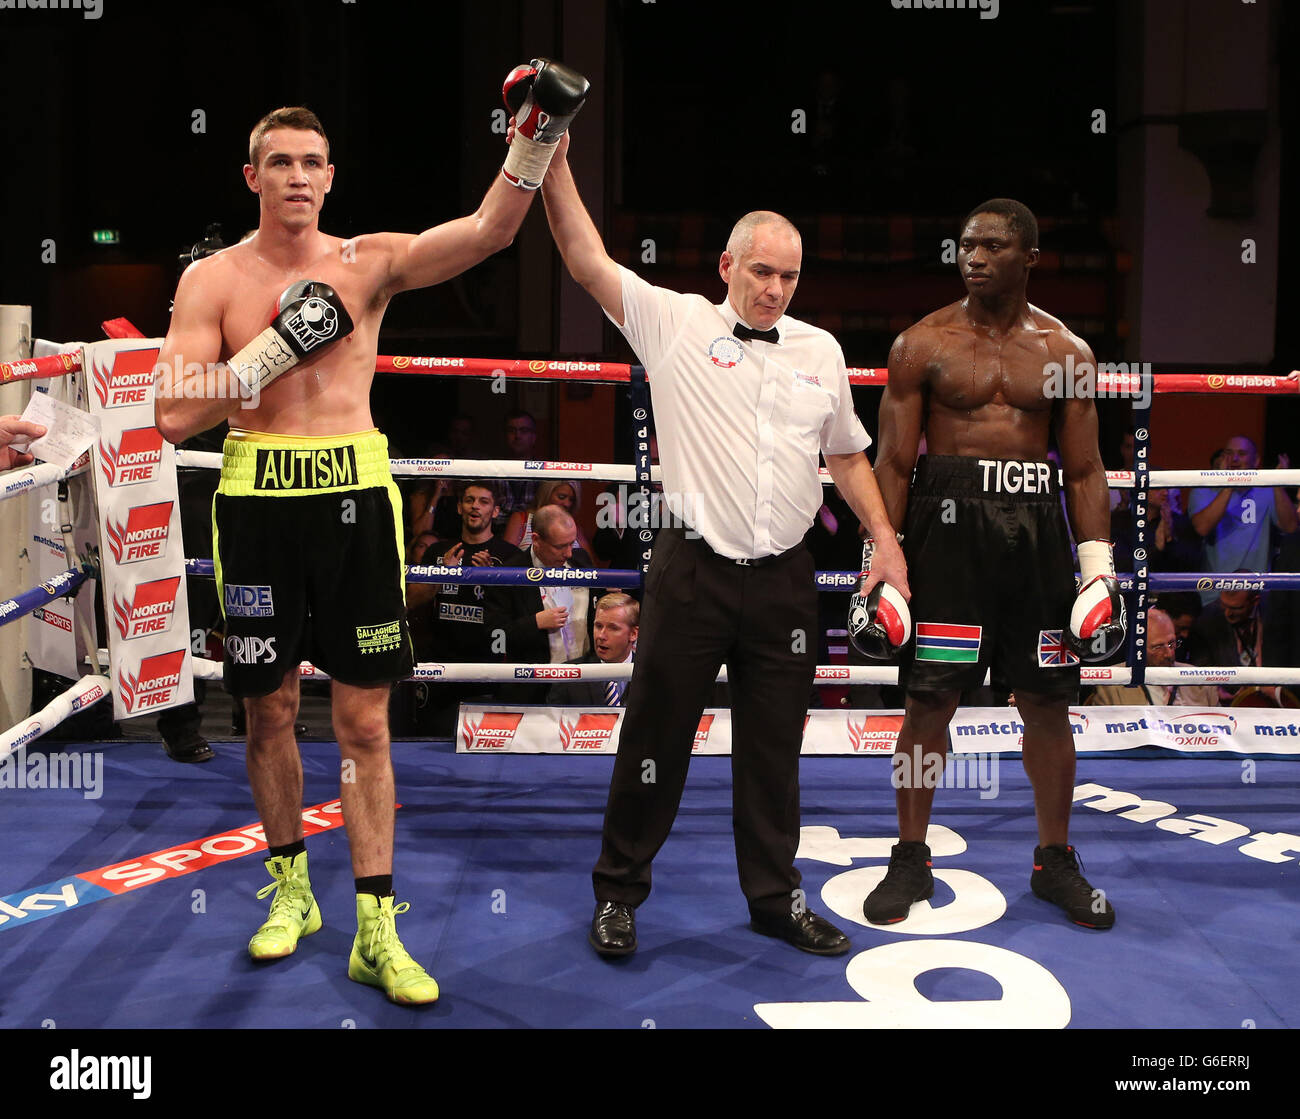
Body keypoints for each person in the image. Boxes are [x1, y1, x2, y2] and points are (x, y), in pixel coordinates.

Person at [152, 65, 586, 1005]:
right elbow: (171, 414)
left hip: (354, 503)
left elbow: (489, 232)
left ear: (331, 176)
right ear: (252, 177)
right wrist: (265, 356)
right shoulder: (212, 279)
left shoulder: (370, 261)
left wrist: (536, 134)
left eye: (312, 162)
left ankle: (377, 926)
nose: (298, 177)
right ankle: (290, 887)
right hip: (256, 504)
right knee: (266, 709)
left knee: (363, 722)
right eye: (280, 162)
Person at [539, 131, 908, 958]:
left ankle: (775, 898)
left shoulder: (821, 350)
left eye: (788, 276)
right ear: (728, 268)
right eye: (762, 271)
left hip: (785, 576)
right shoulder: (675, 323)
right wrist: (554, 161)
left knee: (776, 751)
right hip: (691, 569)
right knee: (655, 739)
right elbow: (586, 259)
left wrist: (885, 538)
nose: (775, 289)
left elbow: (846, 455)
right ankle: (618, 893)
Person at [869, 198, 1122, 931]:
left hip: (1035, 532)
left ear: (1030, 257)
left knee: (1045, 699)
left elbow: (1083, 468)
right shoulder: (922, 344)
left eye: (991, 246)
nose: (973, 257)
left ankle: (1055, 858)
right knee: (929, 699)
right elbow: (893, 460)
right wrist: (877, 559)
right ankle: (910, 854)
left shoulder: (1068, 353)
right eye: (965, 245)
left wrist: (1097, 567)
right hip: (948, 533)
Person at [1188, 435, 1297, 602]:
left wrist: (1277, 484)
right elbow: (1202, 527)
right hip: (1214, 596)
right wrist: (1228, 486)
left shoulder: (1266, 491)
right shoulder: (1203, 491)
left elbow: (1290, 527)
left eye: (1242, 453)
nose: (1235, 459)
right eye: (1229, 453)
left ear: (1256, 460)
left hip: (1256, 594)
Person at [1084, 608, 1217, 706]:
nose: (1169, 654)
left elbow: (1223, 733)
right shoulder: (1112, 684)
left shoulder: (1200, 681)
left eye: (1172, 643)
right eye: (1158, 647)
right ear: (1138, 648)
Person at [547, 592, 639, 706]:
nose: (601, 635)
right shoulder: (567, 676)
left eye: (613, 628)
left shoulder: (650, 675)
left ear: (633, 634)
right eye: (598, 626)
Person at [503, 478, 592, 554]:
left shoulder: (573, 526)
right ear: (547, 494)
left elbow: (591, 568)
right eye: (561, 497)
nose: (567, 504)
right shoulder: (522, 519)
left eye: (571, 500)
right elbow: (506, 560)